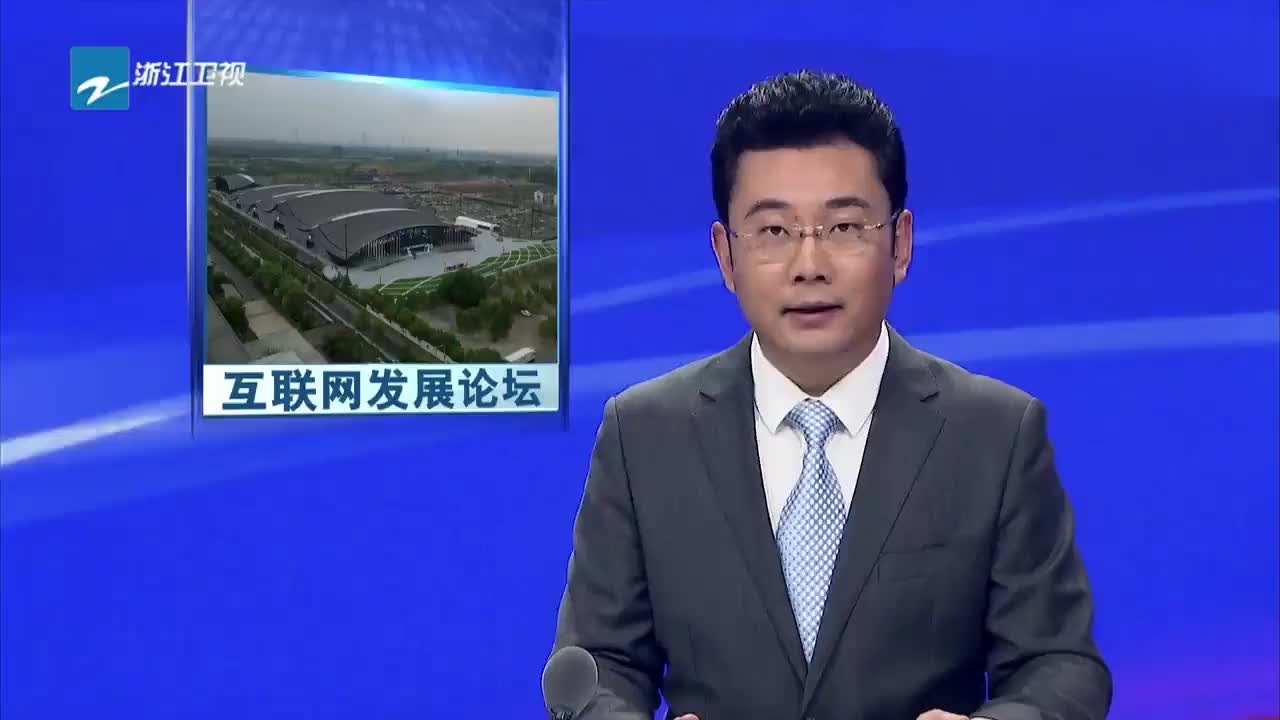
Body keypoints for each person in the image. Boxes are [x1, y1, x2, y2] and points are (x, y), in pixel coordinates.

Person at [552, 70, 1112, 720]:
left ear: (900, 244)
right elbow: (598, 663)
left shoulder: (994, 433)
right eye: (773, 232)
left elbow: (1061, 665)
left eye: (844, 227)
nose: (809, 265)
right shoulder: (644, 433)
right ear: (725, 256)